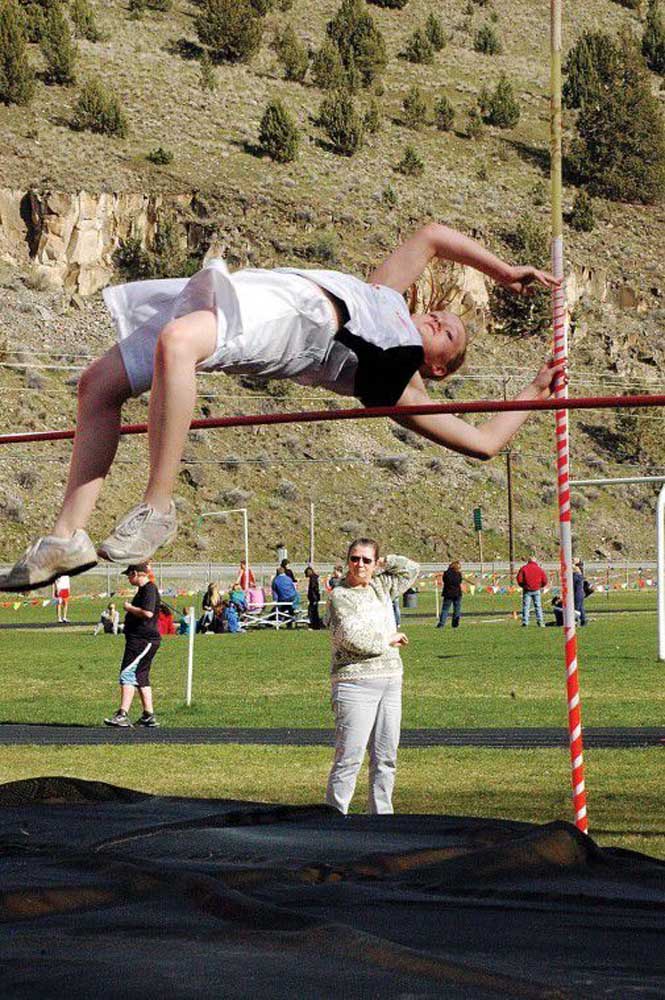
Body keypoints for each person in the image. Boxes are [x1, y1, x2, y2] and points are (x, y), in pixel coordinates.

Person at [0, 222, 563, 592]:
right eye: (441, 317)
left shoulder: (399, 382)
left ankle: (158, 508)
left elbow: (485, 444)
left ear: (436, 367)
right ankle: (66, 537)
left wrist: (535, 392)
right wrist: (503, 271)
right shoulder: (386, 294)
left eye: (449, 337)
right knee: (97, 385)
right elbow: (434, 236)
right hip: (259, 292)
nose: (440, 323)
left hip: (301, 329)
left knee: (178, 346)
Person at [325, 538, 419, 815]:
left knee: (386, 757)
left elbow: (411, 569)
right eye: (355, 558)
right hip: (354, 684)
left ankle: (381, 818)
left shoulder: (381, 586)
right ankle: (334, 817)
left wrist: (384, 562)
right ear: (347, 560)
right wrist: (387, 640)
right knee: (349, 758)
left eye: (366, 560)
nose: (360, 565)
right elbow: (350, 637)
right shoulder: (340, 596)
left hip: (390, 679)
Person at [104, 563, 161, 728]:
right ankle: (148, 715)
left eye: (129, 575)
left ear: (136, 573)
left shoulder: (149, 589)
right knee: (141, 676)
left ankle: (123, 714)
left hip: (143, 639)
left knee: (127, 673)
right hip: (142, 639)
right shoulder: (145, 590)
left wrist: (130, 608)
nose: (128, 578)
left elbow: (148, 613)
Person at [516, 555, 548, 628]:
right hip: (537, 590)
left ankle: (525, 621)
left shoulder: (523, 568)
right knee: (538, 606)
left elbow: (519, 579)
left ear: (528, 561)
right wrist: (540, 586)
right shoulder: (539, 569)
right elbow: (545, 580)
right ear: (535, 561)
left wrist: (523, 586)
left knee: (526, 606)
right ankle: (540, 622)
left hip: (527, 590)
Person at [436, 560, 463, 629]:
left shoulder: (446, 573)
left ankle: (441, 624)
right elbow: (459, 582)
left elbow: (444, 580)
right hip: (457, 594)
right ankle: (455, 624)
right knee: (457, 609)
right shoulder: (459, 574)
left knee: (445, 609)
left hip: (448, 593)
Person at [304, 565, 322, 630]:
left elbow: (314, 588)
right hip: (315, 598)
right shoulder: (314, 577)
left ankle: (314, 625)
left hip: (314, 598)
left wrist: (314, 598)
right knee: (314, 612)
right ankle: (315, 625)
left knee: (313, 612)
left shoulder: (313, 578)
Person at [573, 558, 589, 626]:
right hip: (580, 593)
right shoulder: (579, 573)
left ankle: (575, 621)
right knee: (581, 607)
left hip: (578, 593)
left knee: (576, 608)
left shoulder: (576, 573)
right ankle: (584, 620)